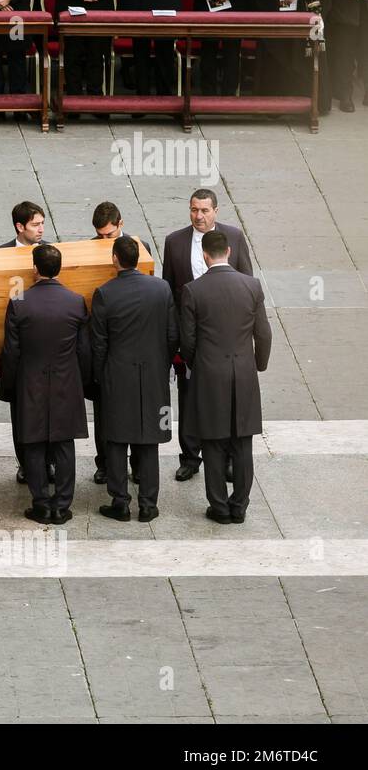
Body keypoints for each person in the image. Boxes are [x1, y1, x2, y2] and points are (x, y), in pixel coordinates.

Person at [160, 187, 254, 481]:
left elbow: (247, 284)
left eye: (204, 210)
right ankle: (190, 456)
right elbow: (169, 290)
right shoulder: (174, 242)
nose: (198, 216)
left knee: (225, 401)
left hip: (223, 336)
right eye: (193, 210)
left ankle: (226, 457)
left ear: (216, 210)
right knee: (188, 398)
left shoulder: (234, 238)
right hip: (189, 336)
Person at [180, 230, 272, 525]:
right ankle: (240, 504)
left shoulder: (193, 290)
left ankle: (219, 506)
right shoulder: (252, 286)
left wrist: (199, 364)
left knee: (214, 440)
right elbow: (264, 333)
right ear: (229, 252)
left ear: (205, 255)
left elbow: (188, 342)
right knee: (242, 441)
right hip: (243, 372)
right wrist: (258, 364)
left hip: (209, 375)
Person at [0, 243, 90, 525]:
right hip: (66, 382)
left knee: (34, 444)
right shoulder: (75, 301)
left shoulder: (19, 303)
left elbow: (11, 352)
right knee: (64, 443)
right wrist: (84, 383)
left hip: (31, 382)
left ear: (35, 269)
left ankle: (40, 504)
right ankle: (62, 505)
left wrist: (9, 387)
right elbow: (83, 350)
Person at [90, 235, 177, 523]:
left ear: (115, 259)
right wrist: (161, 365)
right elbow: (171, 335)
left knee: (116, 439)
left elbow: (99, 343)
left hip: (118, 376)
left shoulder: (104, 293)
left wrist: (100, 376)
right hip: (152, 375)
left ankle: (120, 502)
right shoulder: (161, 288)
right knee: (149, 440)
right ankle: (149, 504)